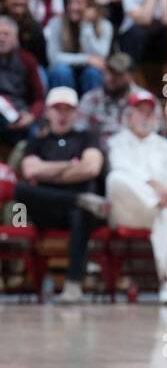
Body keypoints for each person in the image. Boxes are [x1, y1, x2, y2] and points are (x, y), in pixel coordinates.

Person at [106, 89, 167, 306]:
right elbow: (122, 168)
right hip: (129, 210)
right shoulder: (117, 142)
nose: (145, 117)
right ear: (129, 115)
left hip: (160, 211)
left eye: (149, 112)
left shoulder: (166, 146)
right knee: (115, 179)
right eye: (139, 112)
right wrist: (159, 189)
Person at [13, 84, 106, 305]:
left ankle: (73, 284)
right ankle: (75, 199)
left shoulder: (87, 137)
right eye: (57, 109)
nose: (62, 114)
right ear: (48, 112)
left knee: (81, 212)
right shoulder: (37, 141)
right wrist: (70, 166)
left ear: (76, 112)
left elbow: (91, 168)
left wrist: (49, 171)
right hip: (49, 209)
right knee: (20, 190)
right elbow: (30, 170)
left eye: (67, 109)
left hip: (80, 213)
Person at [44, 0, 111, 94]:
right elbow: (54, 58)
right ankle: (63, 108)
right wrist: (86, 59)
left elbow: (100, 57)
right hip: (65, 71)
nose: (73, 7)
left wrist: (86, 25)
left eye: (79, 3)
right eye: (71, 2)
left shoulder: (105, 25)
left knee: (93, 73)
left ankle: (92, 109)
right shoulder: (56, 23)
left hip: (89, 72)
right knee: (61, 71)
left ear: (91, 6)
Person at [77, 49, 153, 147]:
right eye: (108, 72)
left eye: (117, 74)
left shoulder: (145, 100)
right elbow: (78, 132)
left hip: (135, 152)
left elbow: (156, 134)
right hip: (100, 153)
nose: (110, 78)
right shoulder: (91, 99)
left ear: (131, 75)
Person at [0, 13, 44, 143]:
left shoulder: (27, 60)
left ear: (15, 38)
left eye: (6, 34)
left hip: (20, 113)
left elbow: (39, 98)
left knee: (37, 132)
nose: (1, 38)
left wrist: (31, 116)